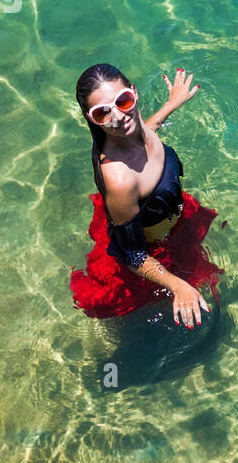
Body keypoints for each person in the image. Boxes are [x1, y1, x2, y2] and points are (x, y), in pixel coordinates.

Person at [69, 63, 221, 326]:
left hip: (172, 216)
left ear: (134, 93)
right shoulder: (120, 180)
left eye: (123, 101)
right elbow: (131, 254)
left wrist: (170, 105)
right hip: (154, 246)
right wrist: (177, 285)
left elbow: (145, 129)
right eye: (103, 113)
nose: (118, 117)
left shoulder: (133, 127)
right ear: (90, 118)